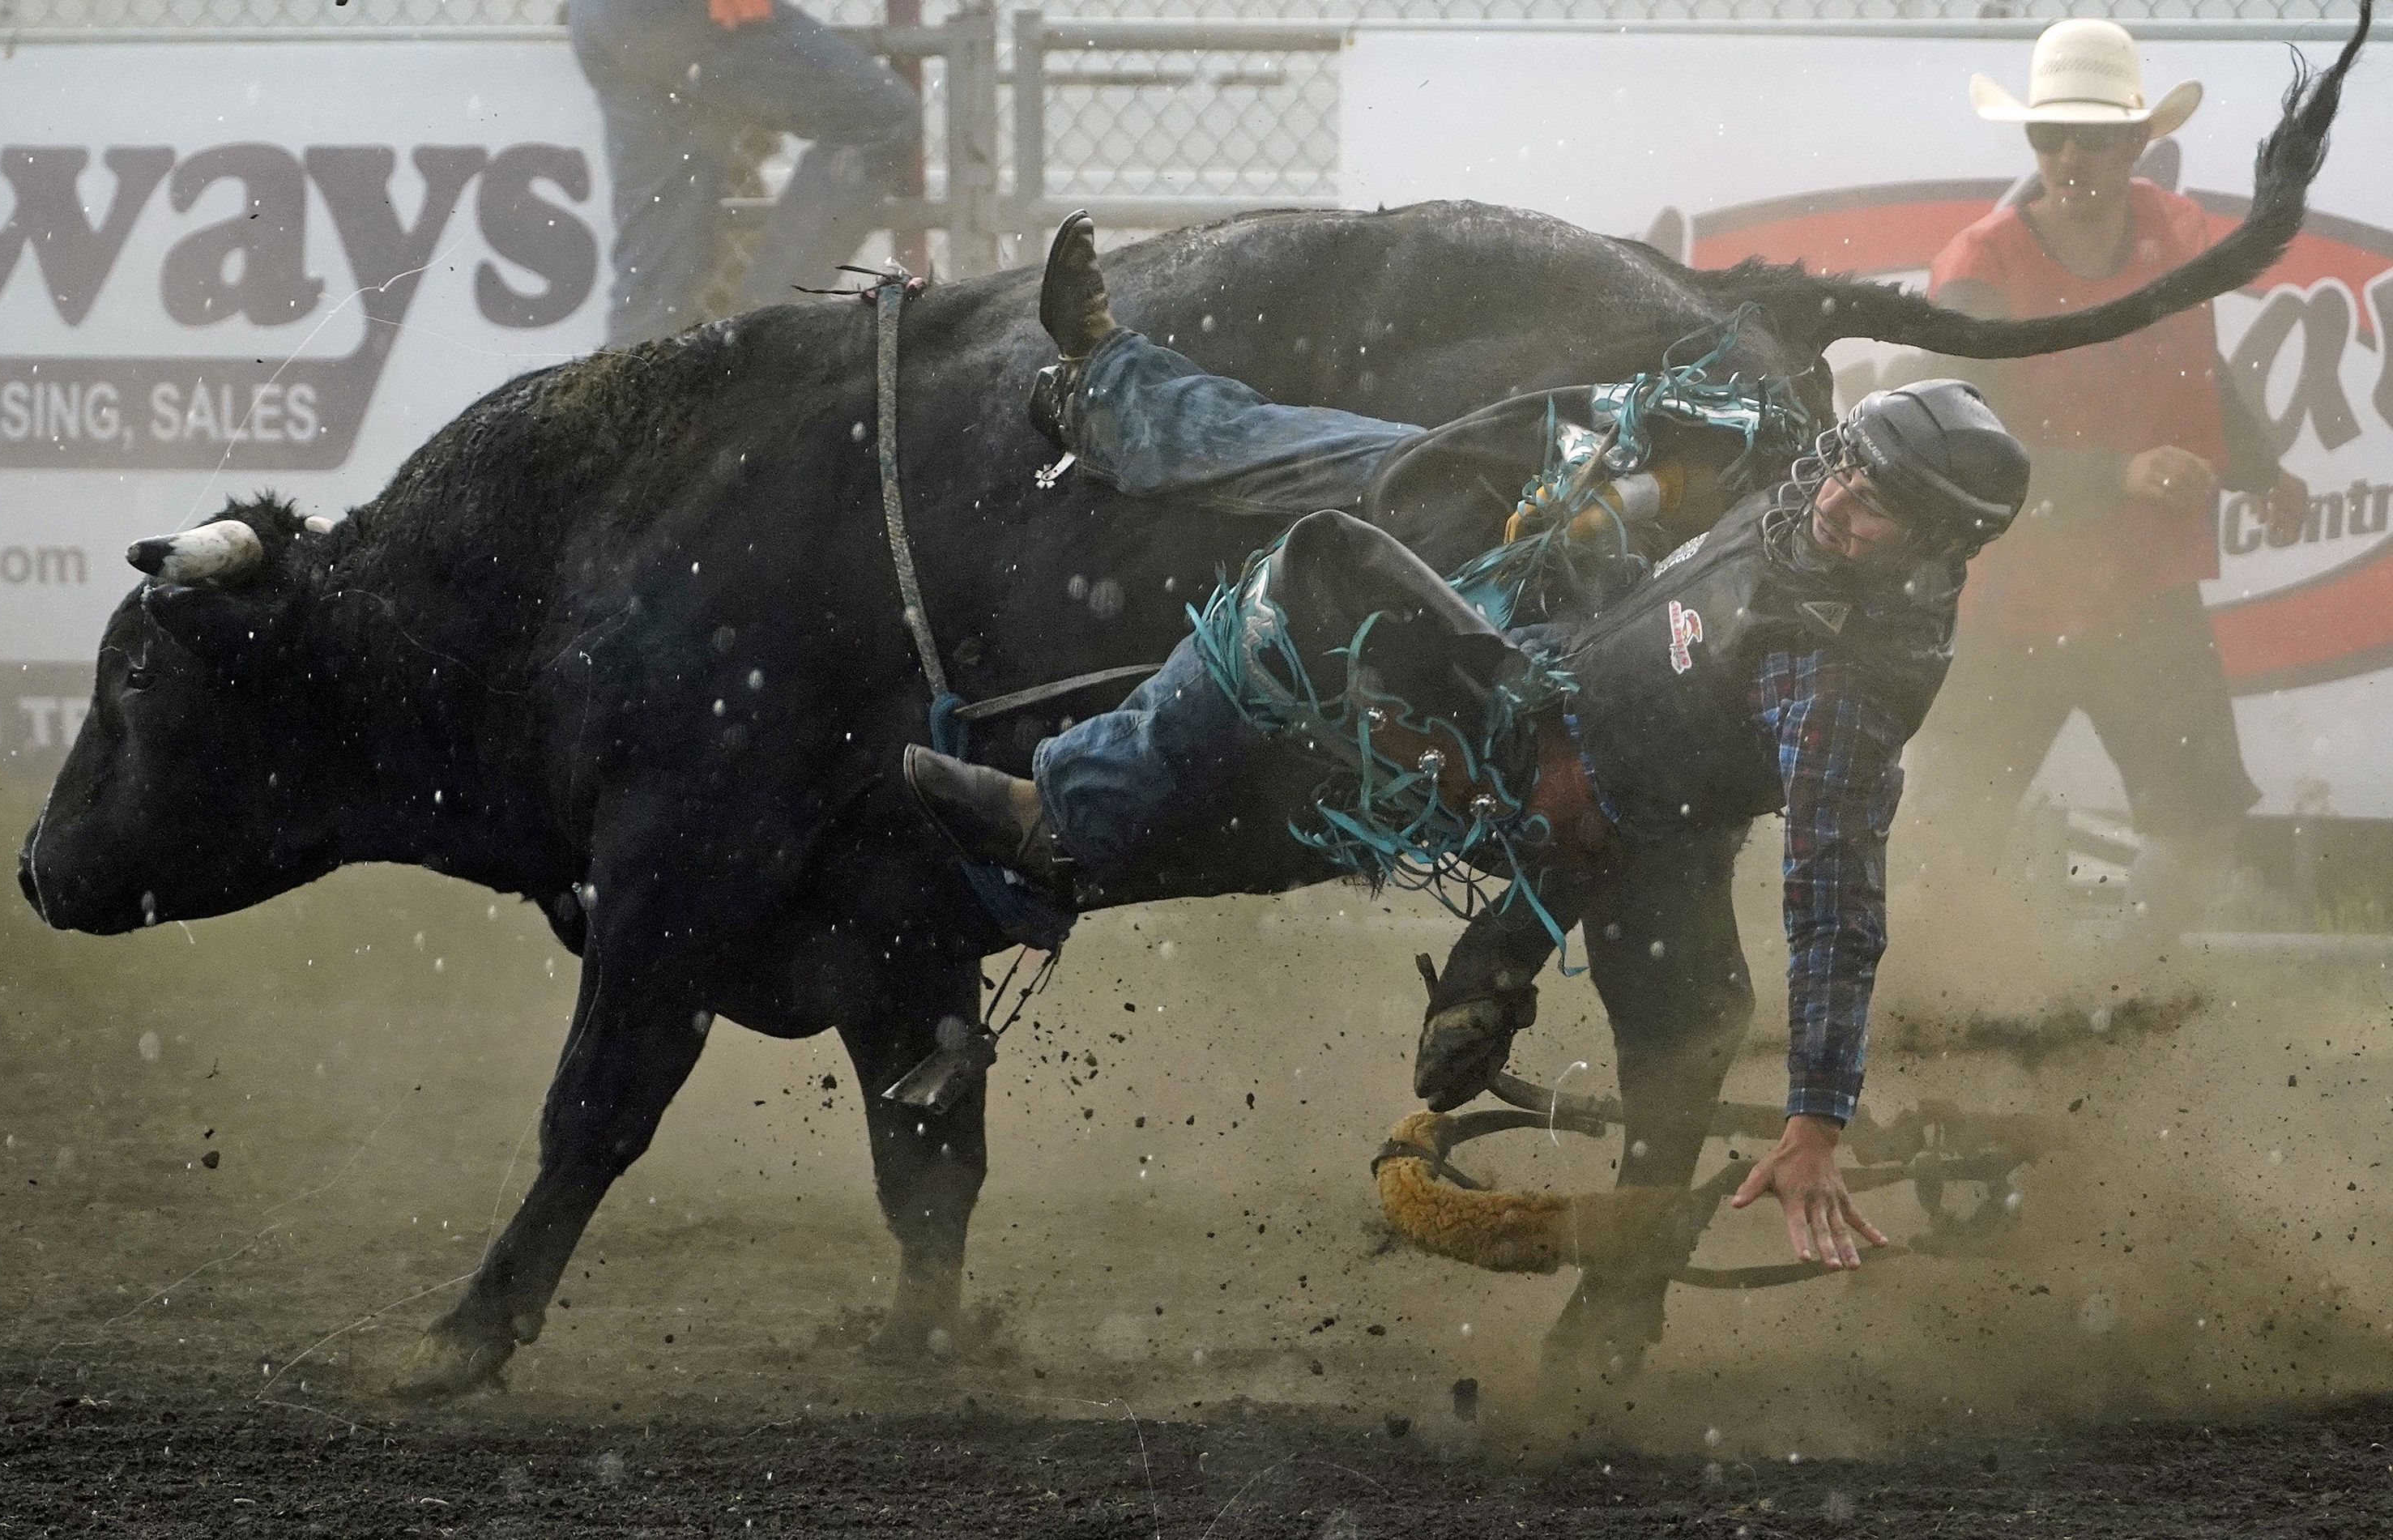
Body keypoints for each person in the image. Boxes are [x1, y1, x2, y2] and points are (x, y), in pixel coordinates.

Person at [903, 215, 2034, 1301]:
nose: (1837, 500)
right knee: (1416, 461)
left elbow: (1834, 908)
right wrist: (1627, 486)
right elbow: (1739, 498)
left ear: (1935, 545)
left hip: (1531, 737)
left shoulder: (1835, 697)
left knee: (1322, 564)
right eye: (1846, 466)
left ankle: (1068, 819)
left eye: (1875, 505)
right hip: (1572, 619)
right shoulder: (1811, 495)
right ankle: (1106, 388)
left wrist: (1818, 1117)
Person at [1901, 19, 2306, 941]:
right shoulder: (1980, 270)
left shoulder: (2179, 237)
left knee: (2203, 823)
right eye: (2050, 134)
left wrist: (2261, 471)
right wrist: (2116, 474)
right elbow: (1951, 445)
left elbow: (2198, 367)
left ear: (2139, 144)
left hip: (2142, 591)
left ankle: (2125, 997)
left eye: (2093, 135)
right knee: (1945, 843)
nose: (2069, 154)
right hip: (2005, 603)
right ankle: (1939, 1010)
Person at [568, 0, 922, 348]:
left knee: (659, 264)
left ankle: (629, 392)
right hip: (696, 16)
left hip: (608, 18)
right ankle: (767, 328)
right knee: (881, 119)